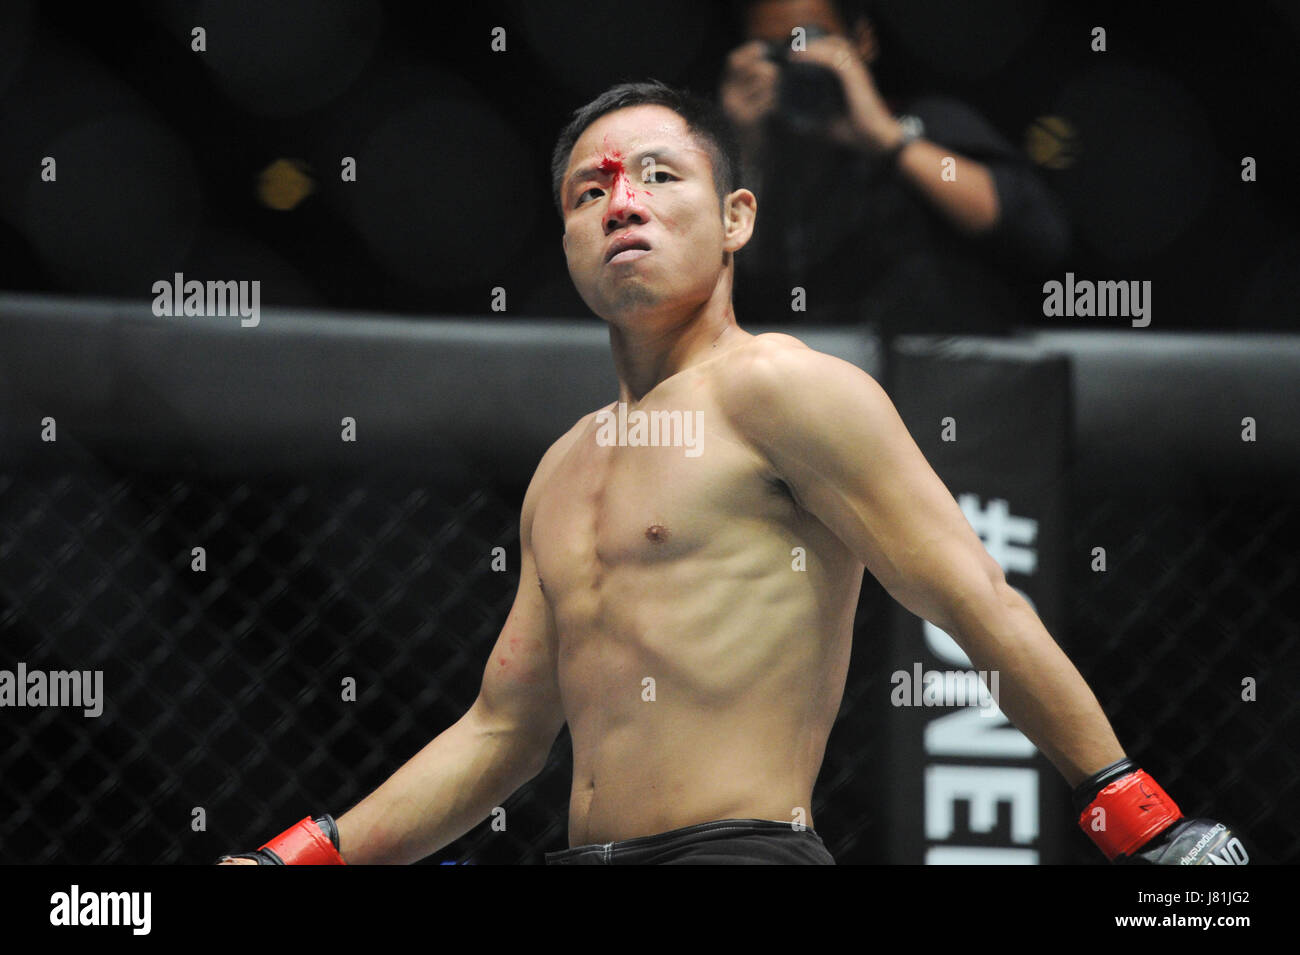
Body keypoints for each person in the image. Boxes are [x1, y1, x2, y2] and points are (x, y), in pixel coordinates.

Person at [219, 81, 1245, 866]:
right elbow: (502, 732)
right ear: (570, 239)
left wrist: (1136, 816)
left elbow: (974, 599)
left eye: (661, 176)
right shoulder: (561, 469)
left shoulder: (784, 391)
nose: (625, 202)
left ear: (736, 220)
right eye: (593, 188)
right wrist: (301, 853)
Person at [721, 0, 1071, 333]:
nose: (795, 61)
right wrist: (741, 148)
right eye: (773, 50)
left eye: (811, 39)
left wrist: (886, 138)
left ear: (862, 41)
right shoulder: (743, 158)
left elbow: (1035, 231)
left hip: (934, 373)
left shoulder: (931, 125)